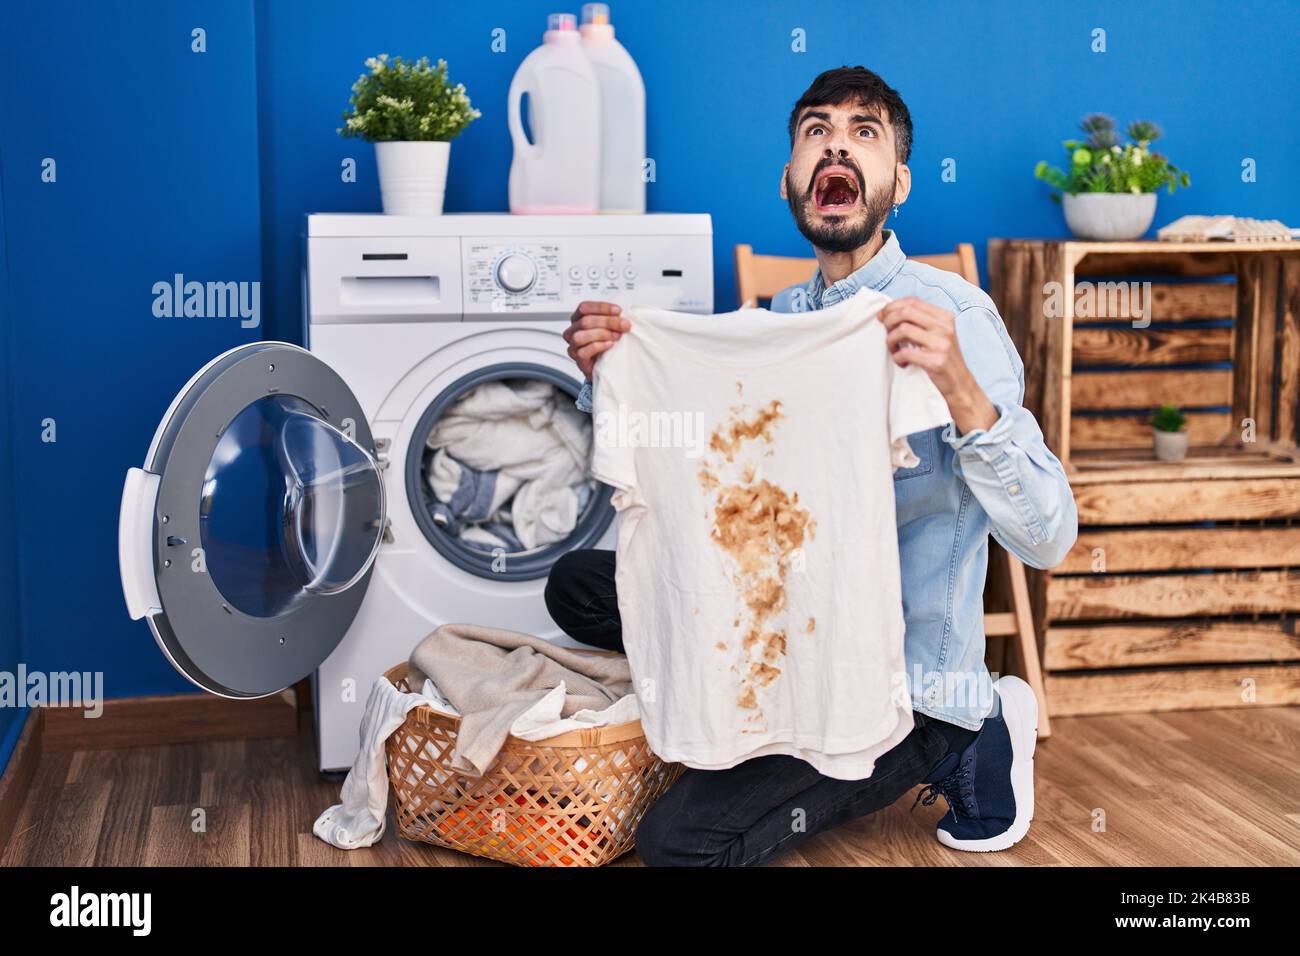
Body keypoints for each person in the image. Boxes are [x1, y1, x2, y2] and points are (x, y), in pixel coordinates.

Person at [545, 66, 1078, 866]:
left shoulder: (953, 318)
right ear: (792, 180)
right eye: (815, 131)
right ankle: (760, 712)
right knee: (579, 584)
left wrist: (962, 392)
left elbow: (1051, 537)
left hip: (898, 675)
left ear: (897, 181)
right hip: (796, 634)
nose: (837, 144)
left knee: (679, 844)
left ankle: (966, 734)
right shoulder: (779, 324)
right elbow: (707, 468)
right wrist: (613, 378)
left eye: (865, 132)